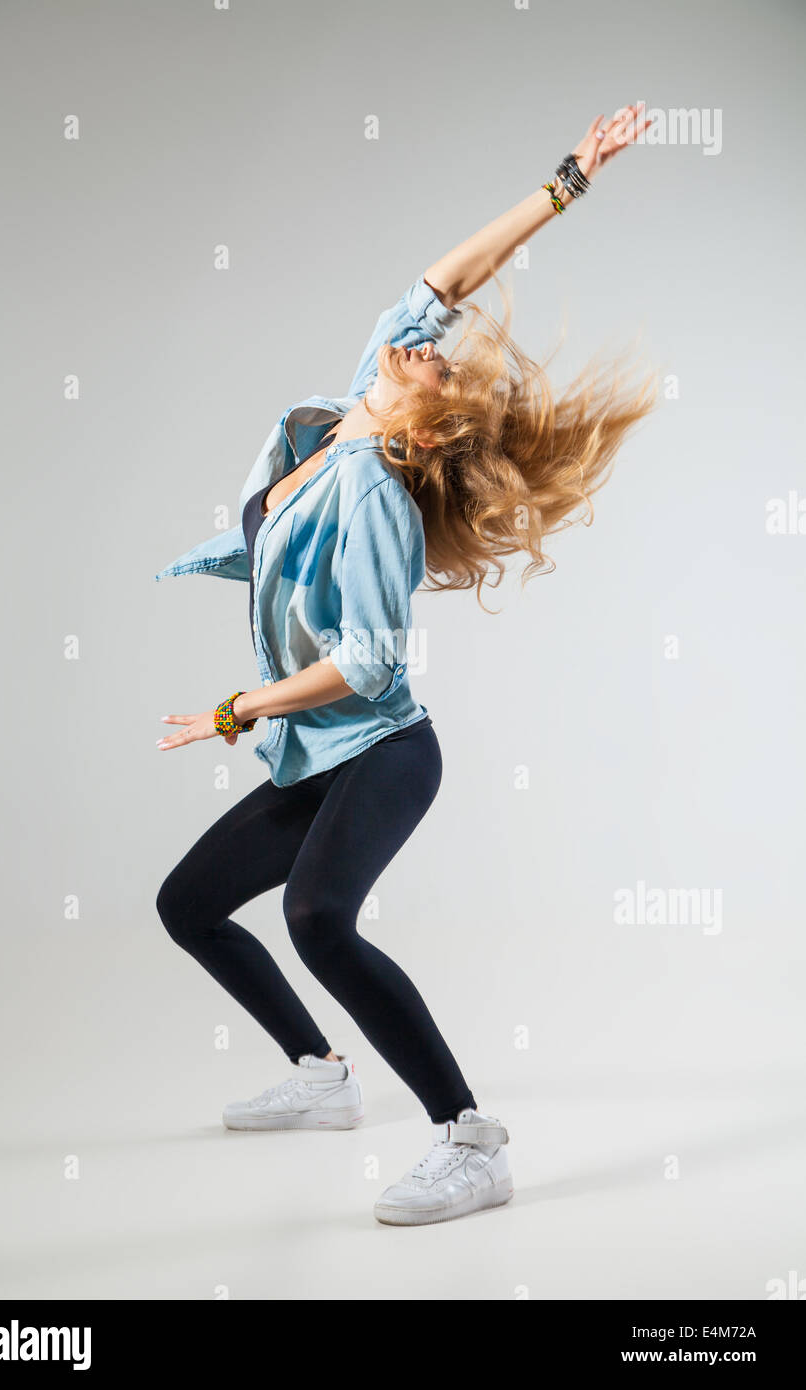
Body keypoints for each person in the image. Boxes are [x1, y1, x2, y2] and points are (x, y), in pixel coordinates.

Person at [154, 106, 655, 1227]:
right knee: (188, 904)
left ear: (423, 432)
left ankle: (469, 1139)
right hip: (314, 751)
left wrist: (238, 710)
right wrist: (572, 176)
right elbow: (453, 274)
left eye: (438, 369)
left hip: (380, 750)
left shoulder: (376, 488)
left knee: (318, 918)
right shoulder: (343, 405)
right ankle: (323, 1077)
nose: (431, 347)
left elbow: (369, 667)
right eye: (430, 347)